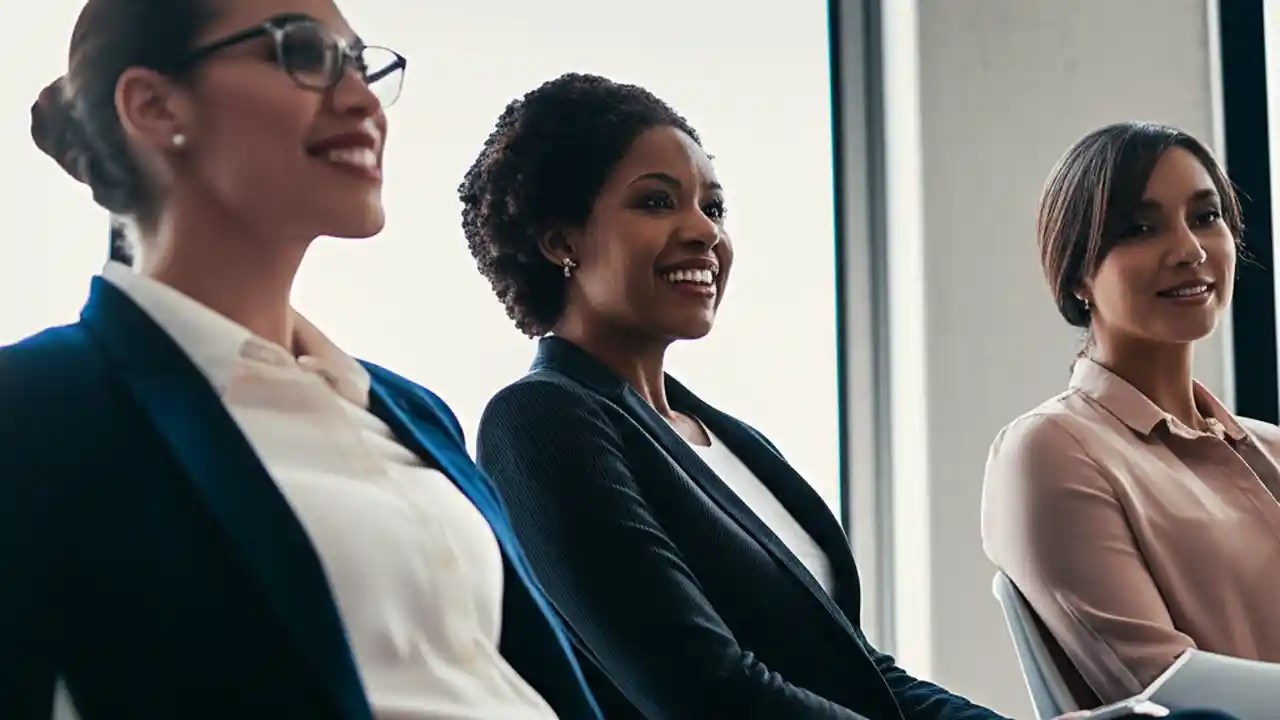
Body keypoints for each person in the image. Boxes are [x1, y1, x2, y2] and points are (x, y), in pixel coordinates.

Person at [463, 71, 1190, 720]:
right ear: (561, 240)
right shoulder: (542, 420)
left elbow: (860, 671)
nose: (702, 233)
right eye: (657, 203)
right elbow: (701, 689)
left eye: (713, 206)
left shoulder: (730, 441)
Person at [0, 2, 602, 718]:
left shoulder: (412, 409)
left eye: (362, 64)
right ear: (155, 106)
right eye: (305, 53)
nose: (362, 99)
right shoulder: (35, 408)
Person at [982, 121, 1280, 705]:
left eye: (1206, 216)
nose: (1190, 251)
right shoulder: (1050, 451)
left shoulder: (1270, 446)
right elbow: (1165, 694)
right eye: (1141, 228)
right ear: (1077, 274)